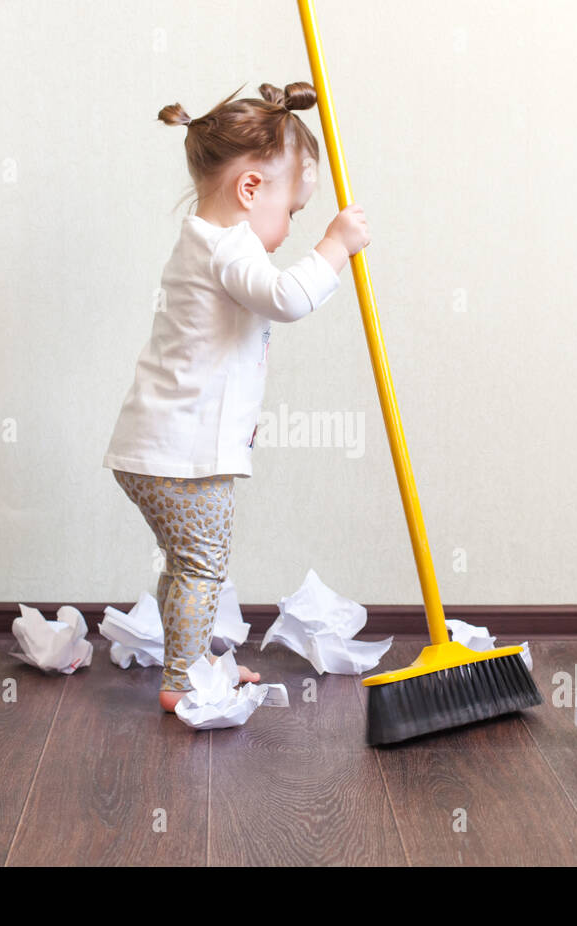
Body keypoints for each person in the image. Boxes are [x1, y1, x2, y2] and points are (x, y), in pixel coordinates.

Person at [102, 80, 370, 713]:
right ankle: (183, 683)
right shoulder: (230, 247)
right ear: (250, 191)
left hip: (153, 449)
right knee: (201, 567)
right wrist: (334, 245)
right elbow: (287, 298)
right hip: (184, 455)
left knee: (184, 565)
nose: (288, 230)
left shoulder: (202, 241)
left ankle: (187, 663)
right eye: (292, 214)